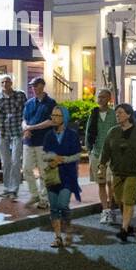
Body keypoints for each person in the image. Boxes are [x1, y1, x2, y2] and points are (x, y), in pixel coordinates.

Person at [100, 102, 136, 242]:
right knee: (119, 200)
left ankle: (124, 229)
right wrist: (102, 165)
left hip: (133, 172)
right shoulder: (113, 132)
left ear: (128, 115)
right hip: (117, 171)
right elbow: (106, 150)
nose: (117, 115)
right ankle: (127, 225)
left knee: (128, 199)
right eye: (116, 113)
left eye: (120, 113)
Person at [43, 105, 84, 248]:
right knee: (54, 208)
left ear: (64, 118)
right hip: (52, 176)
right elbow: (43, 155)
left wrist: (63, 159)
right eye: (52, 115)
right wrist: (52, 157)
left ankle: (68, 229)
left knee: (62, 204)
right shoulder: (49, 135)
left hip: (67, 175)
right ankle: (58, 237)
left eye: (57, 116)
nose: (54, 118)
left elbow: (78, 155)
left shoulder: (72, 135)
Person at [0, 76, 26, 199]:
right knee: (5, 162)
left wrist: (27, 128)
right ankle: (7, 188)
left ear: (11, 83)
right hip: (3, 133)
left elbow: (27, 112)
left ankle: (14, 189)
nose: (4, 84)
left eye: (7, 81)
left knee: (16, 161)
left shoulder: (20, 95)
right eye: (2, 82)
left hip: (17, 132)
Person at [21, 78, 57, 209]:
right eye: (32, 86)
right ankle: (34, 194)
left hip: (43, 142)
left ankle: (44, 199)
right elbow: (24, 119)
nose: (34, 88)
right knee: (26, 169)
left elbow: (51, 121)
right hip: (29, 141)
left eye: (36, 85)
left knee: (44, 172)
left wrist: (31, 128)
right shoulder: (29, 103)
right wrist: (25, 128)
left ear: (42, 86)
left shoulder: (51, 103)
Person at [85, 88, 117, 224]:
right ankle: (105, 210)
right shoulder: (94, 114)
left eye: (103, 97)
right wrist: (89, 150)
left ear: (109, 99)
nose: (100, 99)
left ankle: (111, 207)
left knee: (111, 182)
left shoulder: (114, 114)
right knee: (101, 183)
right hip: (97, 153)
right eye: (99, 97)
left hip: (111, 154)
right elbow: (88, 132)